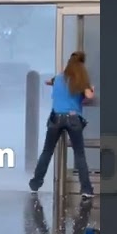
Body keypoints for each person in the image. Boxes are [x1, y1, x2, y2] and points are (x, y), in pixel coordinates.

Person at [29, 51, 95, 198]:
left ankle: (35, 183)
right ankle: (86, 189)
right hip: (73, 118)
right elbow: (89, 96)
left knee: (47, 151)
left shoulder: (58, 78)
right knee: (79, 154)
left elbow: (49, 82)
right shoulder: (80, 80)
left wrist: (54, 83)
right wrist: (90, 90)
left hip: (55, 118)